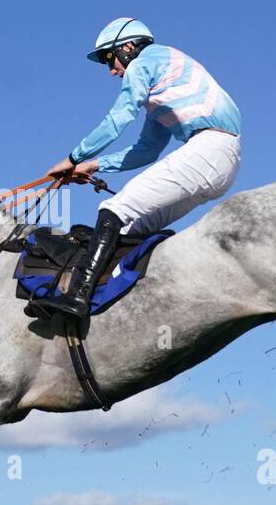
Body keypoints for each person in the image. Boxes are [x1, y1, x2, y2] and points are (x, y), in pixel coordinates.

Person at [35, 17, 243, 320]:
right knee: (133, 229)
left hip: (208, 150)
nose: (112, 71)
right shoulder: (161, 81)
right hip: (222, 162)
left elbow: (118, 118)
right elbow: (147, 150)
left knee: (114, 208)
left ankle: (78, 298)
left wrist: (73, 157)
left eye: (110, 58)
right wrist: (94, 166)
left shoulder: (145, 62)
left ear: (129, 48)